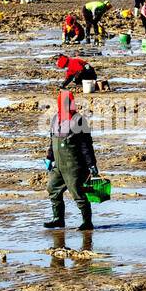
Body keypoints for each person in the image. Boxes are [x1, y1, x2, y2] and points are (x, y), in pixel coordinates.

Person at [44, 87, 99, 231]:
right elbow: (52, 140)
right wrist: (49, 157)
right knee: (52, 188)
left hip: (74, 165)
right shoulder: (56, 118)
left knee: (78, 193)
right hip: (58, 165)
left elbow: (86, 145)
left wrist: (91, 165)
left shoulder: (79, 120)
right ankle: (58, 219)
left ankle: (87, 222)